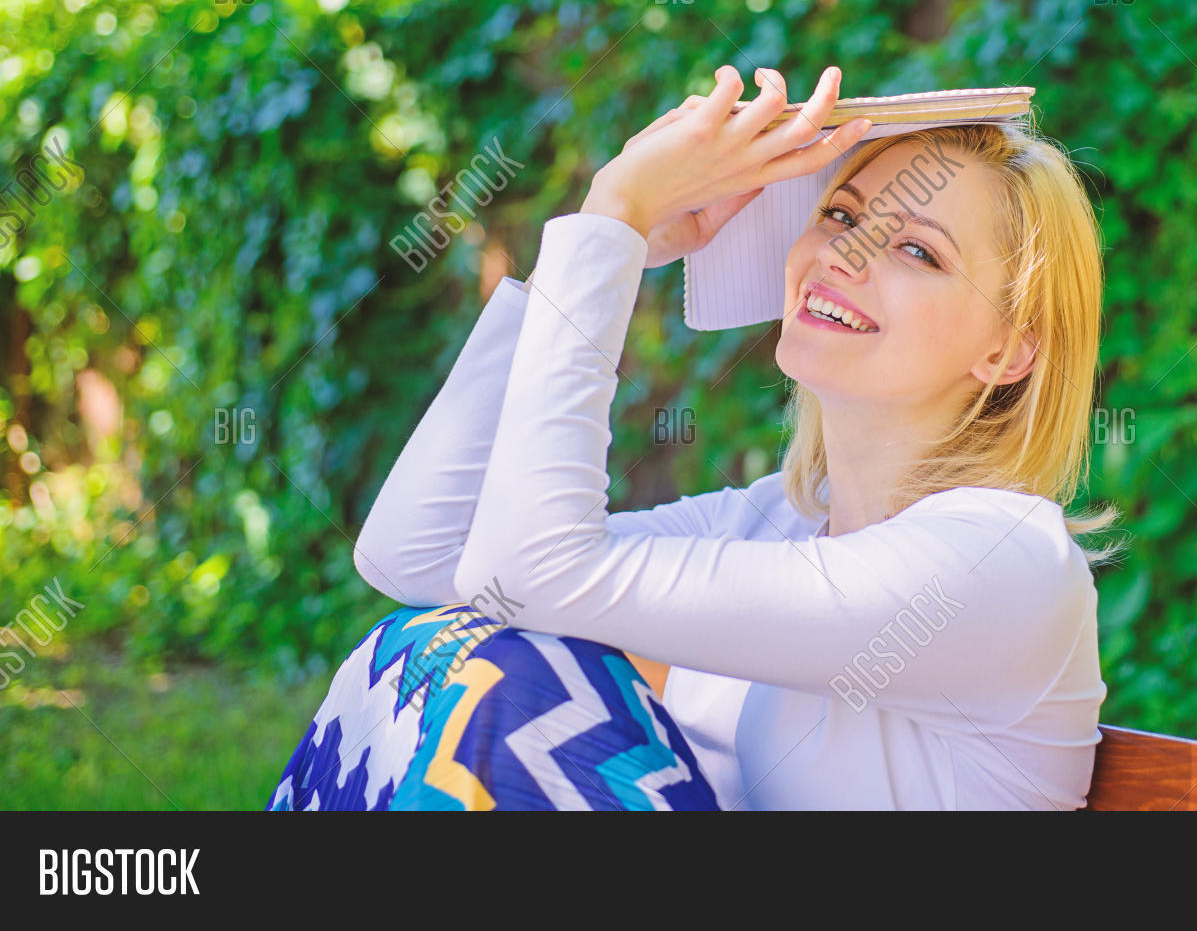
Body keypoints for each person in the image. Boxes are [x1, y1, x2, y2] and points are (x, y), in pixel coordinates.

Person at [269, 65, 1116, 811]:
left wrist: (613, 216)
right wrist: (615, 250)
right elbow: (418, 558)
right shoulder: (771, 524)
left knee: (509, 685)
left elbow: (529, 572)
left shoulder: (1003, 562)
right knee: (437, 647)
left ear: (1009, 349)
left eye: (918, 251)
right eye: (842, 213)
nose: (845, 254)